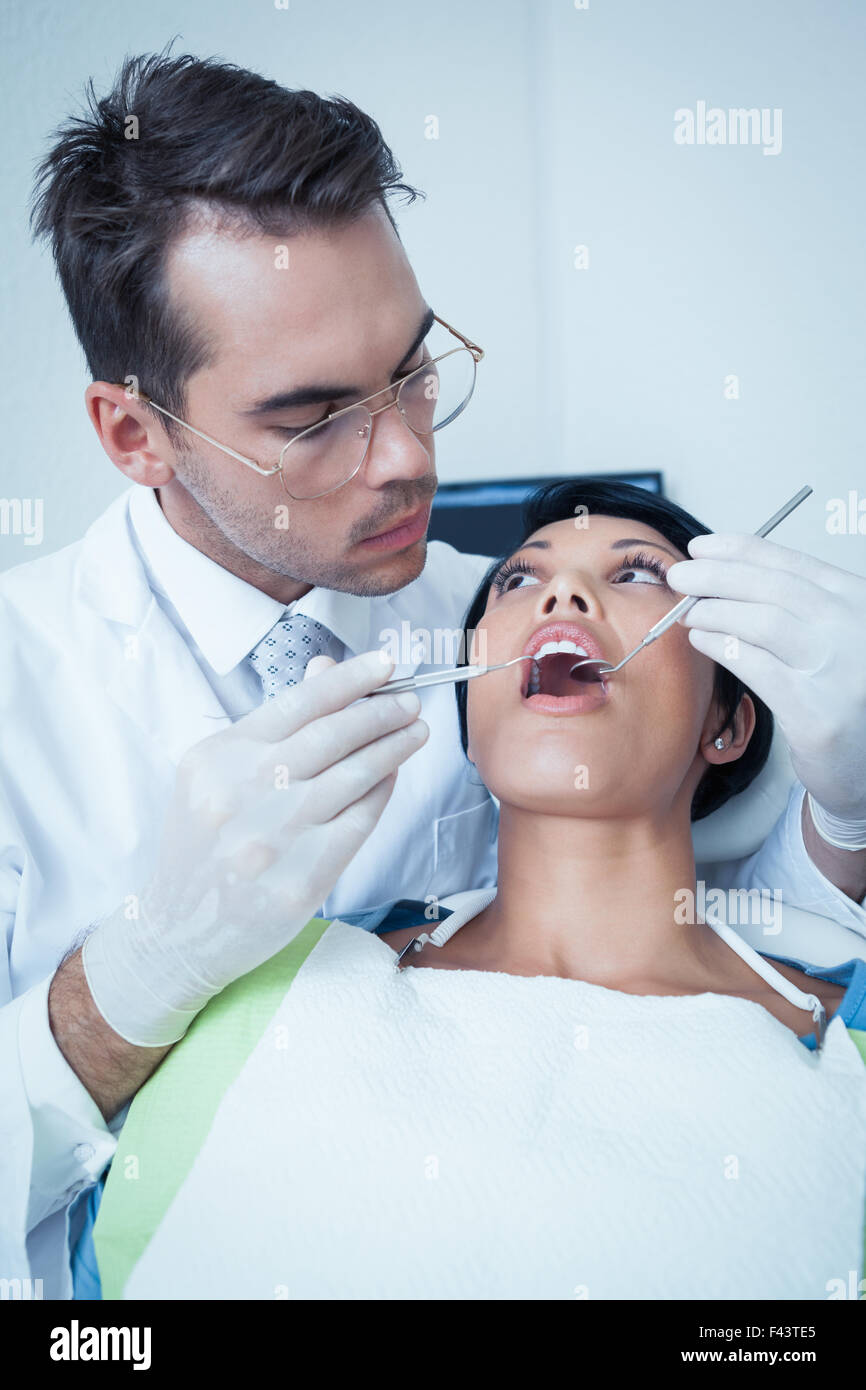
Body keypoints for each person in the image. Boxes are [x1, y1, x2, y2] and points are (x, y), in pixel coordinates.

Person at [2, 52, 865, 1299]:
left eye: (414, 367)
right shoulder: (23, 691)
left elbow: (717, 919)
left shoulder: (486, 615)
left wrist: (844, 816)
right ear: (136, 435)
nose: (409, 457)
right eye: (314, 420)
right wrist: (134, 976)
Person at [83, 481, 866, 1300]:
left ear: (729, 725)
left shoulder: (839, 1037)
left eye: (637, 575)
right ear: (471, 709)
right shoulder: (269, 982)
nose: (561, 593)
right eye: (518, 581)